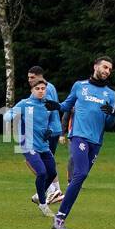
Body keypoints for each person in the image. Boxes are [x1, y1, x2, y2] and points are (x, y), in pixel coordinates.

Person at [52, 55, 115, 229]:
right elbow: (66, 106)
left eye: (110, 69)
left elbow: (110, 123)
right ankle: (59, 218)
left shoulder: (110, 94)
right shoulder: (80, 86)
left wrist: (112, 113)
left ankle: (60, 217)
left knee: (80, 178)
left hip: (96, 142)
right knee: (79, 174)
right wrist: (51, 106)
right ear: (95, 66)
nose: (107, 71)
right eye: (104, 67)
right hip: (79, 136)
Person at [4, 77, 60, 218]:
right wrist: (12, 115)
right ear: (32, 90)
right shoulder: (25, 103)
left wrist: (51, 131)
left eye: (43, 89)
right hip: (28, 145)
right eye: (38, 89)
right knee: (41, 172)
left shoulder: (49, 105)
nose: (41, 91)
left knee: (52, 173)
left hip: (43, 145)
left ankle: (38, 196)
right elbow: (7, 115)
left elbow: (54, 122)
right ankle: (43, 204)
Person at [26, 66, 64, 206]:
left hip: (47, 132)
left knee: (33, 161)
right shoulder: (50, 87)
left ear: (40, 76)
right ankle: (54, 191)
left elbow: (47, 109)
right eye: (29, 77)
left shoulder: (42, 90)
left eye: (32, 77)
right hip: (52, 130)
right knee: (49, 162)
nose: (29, 80)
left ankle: (52, 191)